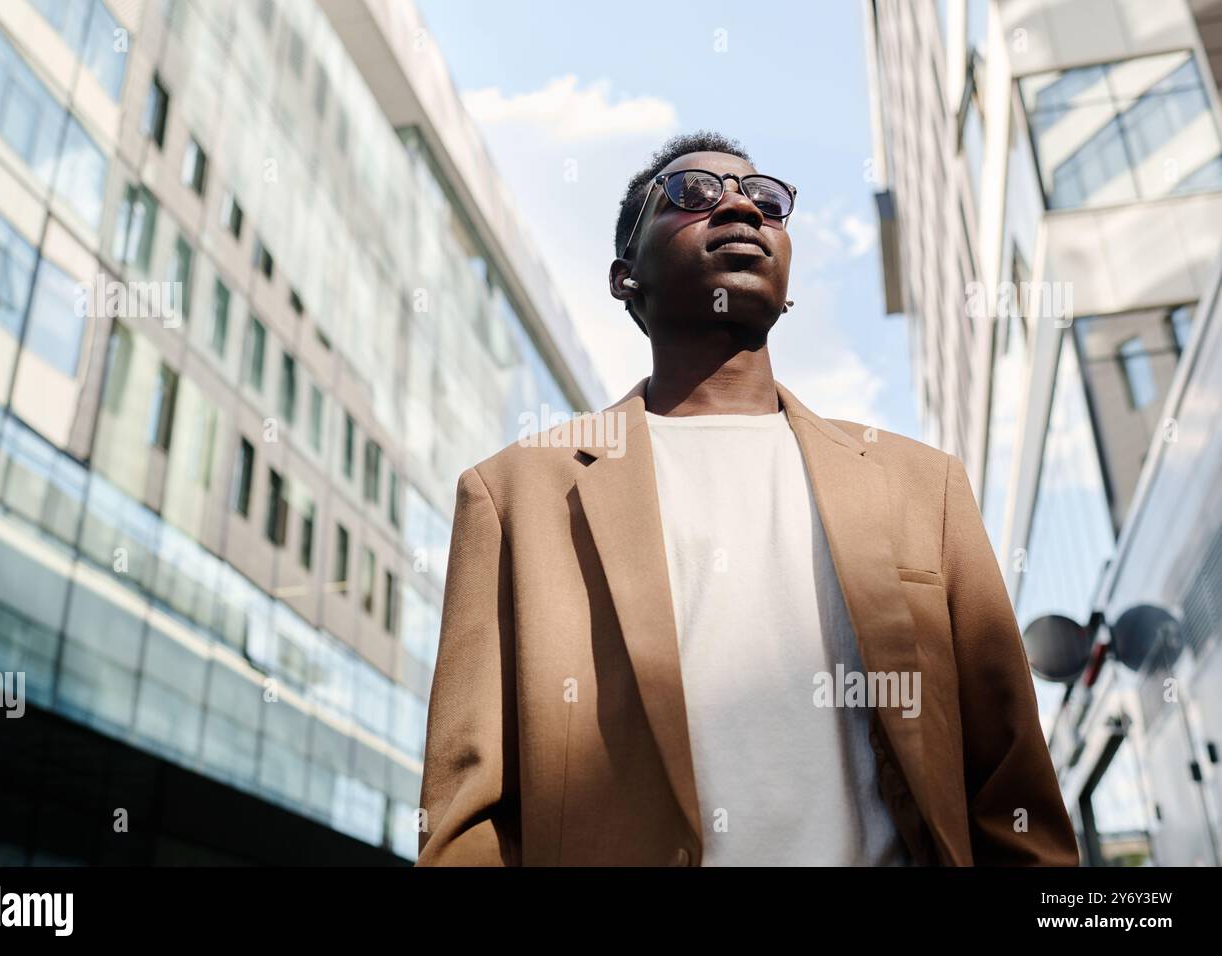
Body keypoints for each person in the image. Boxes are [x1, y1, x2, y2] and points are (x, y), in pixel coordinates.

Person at [415, 130, 1079, 866]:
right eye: (694, 194)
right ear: (623, 276)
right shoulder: (515, 494)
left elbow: (1010, 787)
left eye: (766, 199)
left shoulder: (924, 487)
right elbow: (465, 820)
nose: (741, 207)